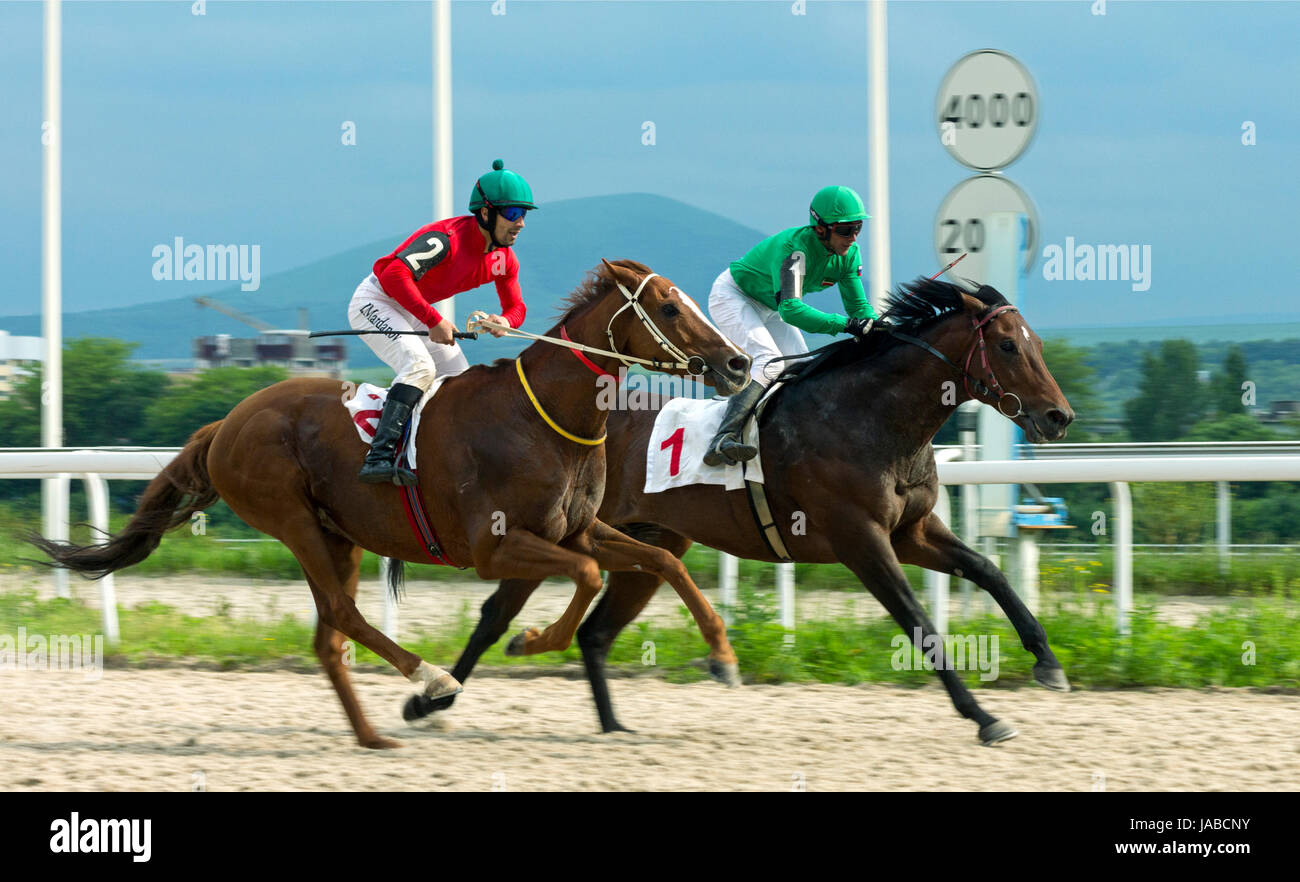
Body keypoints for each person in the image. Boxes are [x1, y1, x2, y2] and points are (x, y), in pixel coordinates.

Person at [348, 159, 537, 485]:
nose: (520, 223)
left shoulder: (504, 259)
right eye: (512, 214)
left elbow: (517, 307)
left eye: (524, 214)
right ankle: (378, 457)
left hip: (410, 309)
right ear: (486, 213)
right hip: (376, 300)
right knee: (420, 366)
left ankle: (443, 456)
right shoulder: (446, 239)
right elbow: (394, 274)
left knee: (461, 381)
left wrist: (503, 320)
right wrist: (434, 320)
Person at [703, 185, 878, 466]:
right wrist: (845, 325)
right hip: (734, 296)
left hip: (770, 307)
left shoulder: (850, 255)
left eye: (858, 228)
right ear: (820, 228)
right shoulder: (795, 252)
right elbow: (792, 310)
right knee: (770, 362)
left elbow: (859, 308)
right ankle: (723, 438)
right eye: (846, 230)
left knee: (802, 368)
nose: (853, 237)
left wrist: (875, 325)